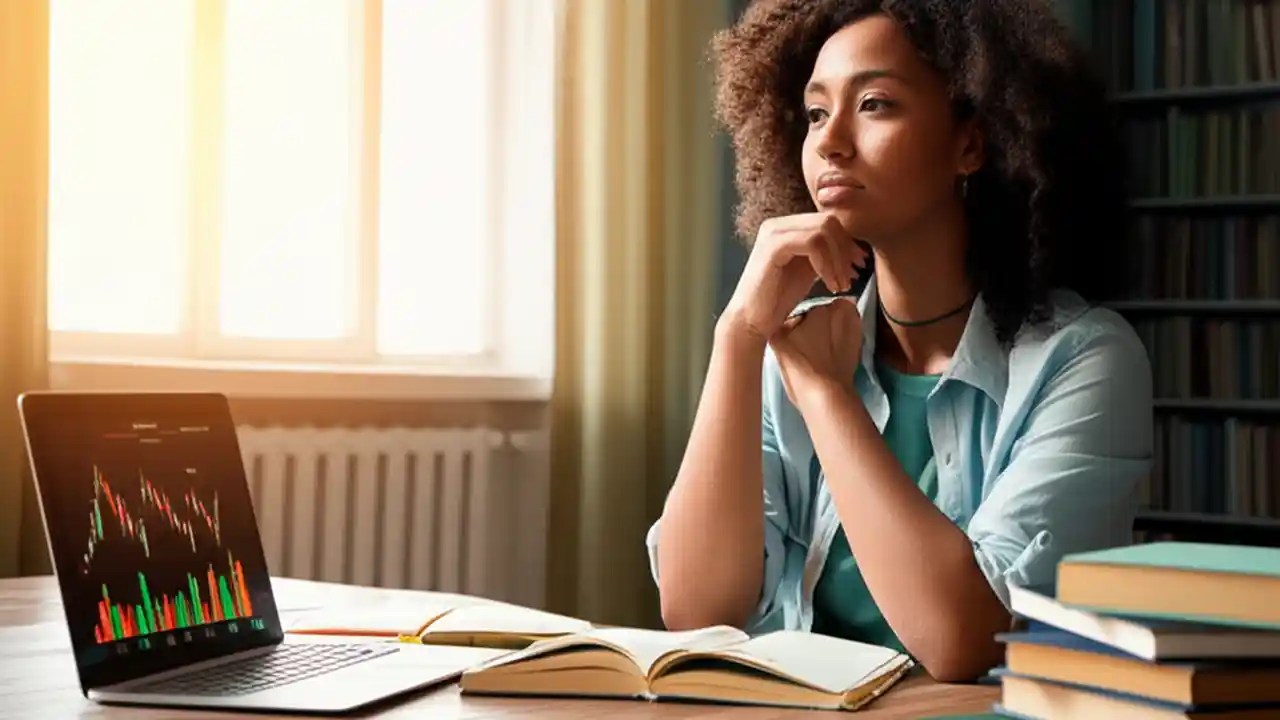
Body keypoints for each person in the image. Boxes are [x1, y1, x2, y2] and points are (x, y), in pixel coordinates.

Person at [646, 0, 1154, 682]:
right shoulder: (788, 352)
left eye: (876, 104)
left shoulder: (1084, 360)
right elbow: (697, 610)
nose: (830, 142)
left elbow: (963, 642)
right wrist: (738, 337)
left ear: (971, 143)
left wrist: (827, 397)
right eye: (817, 112)